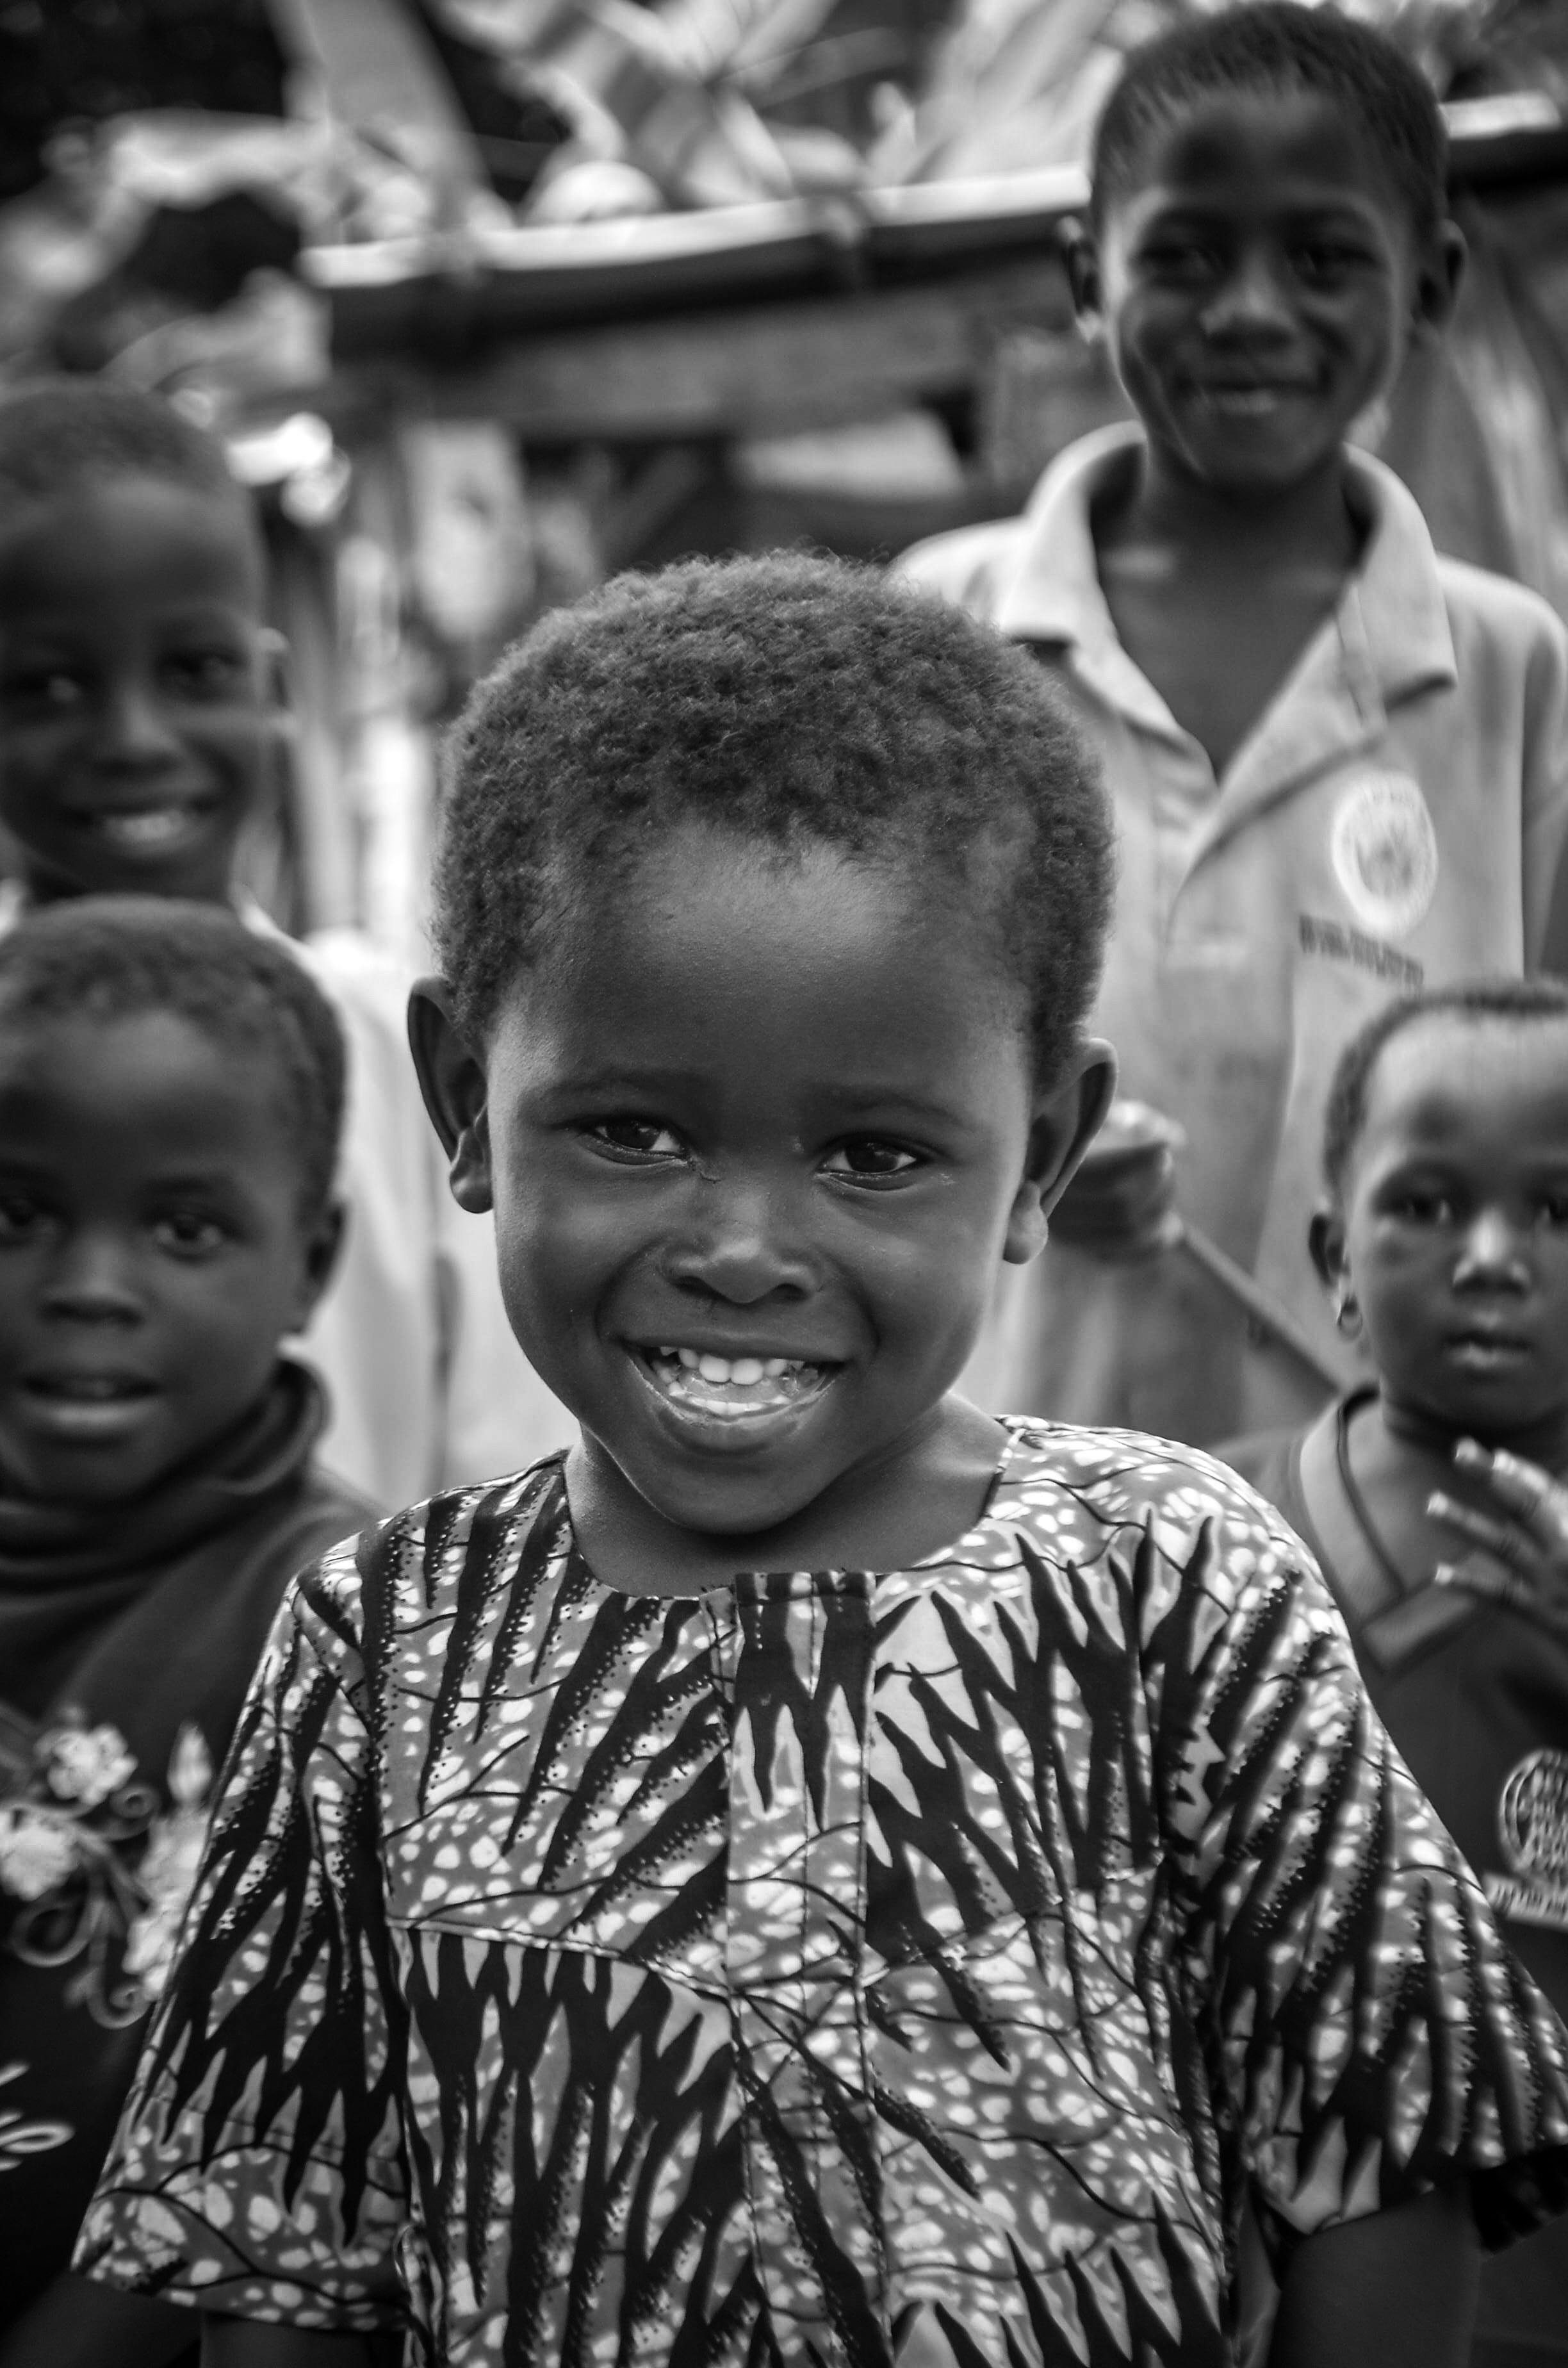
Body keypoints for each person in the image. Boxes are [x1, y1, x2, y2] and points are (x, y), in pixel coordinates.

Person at [65, 558, 1568, 2368]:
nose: (747, 1249)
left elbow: (1380, 2167)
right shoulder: (383, 1646)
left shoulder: (1175, 1581)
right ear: (465, 1099)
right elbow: (281, 2261)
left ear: (1042, 1156)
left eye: (874, 1156)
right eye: (630, 1129)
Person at [897, 1, 1568, 1451]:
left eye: (1325, 259)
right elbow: (839, 1038)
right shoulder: (938, 634)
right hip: (987, 1500)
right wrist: (1014, 1154)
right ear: (1090, 277)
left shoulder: (1510, 670)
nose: (1252, 309)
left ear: (1433, 283)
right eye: (1186, 255)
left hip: (1389, 1521)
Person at [0, 377, 569, 1507]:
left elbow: (506, 1449)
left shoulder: (403, 1052)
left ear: (274, 688)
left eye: (194, 674)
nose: (133, 740)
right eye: (50, 687)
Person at [0, 900, 377, 2358]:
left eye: (183, 1228)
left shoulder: (342, 1627)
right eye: (15, 1215)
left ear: (310, 1262)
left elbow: (249, 2175)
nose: (91, 1290)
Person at [1221, 977, 1568, 2368]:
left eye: (1560, 1211)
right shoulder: (1223, 1539)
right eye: (1426, 1206)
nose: (1491, 1256)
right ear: (1334, 1258)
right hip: (1290, 2294)